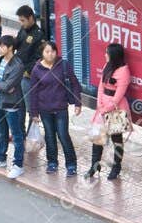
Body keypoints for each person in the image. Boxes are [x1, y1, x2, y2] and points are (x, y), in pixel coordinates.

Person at [27, 41, 81, 175]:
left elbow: (74, 83)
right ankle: (52, 163)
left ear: (57, 52)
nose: (50, 54)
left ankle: (71, 165)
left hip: (61, 108)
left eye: (52, 51)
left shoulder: (63, 65)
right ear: (42, 53)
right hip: (44, 109)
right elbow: (33, 93)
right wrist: (34, 113)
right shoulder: (37, 69)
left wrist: (78, 103)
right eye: (47, 52)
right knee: (50, 136)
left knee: (63, 135)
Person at [87, 42, 131, 181]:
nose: (105, 55)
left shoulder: (124, 71)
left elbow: (118, 95)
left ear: (114, 55)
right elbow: (101, 85)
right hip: (103, 105)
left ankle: (116, 166)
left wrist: (106, 108)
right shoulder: (107, 66)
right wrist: (99, 103)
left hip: (116, 108)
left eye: (107, 53)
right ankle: (95, 165)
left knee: (116, 139)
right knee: (97, 137)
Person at [0, 35, 27, 178]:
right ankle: (0, 158)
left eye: (2, 46)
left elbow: (8, 85)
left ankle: (18, 165)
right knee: (2, 132)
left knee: (16, 135)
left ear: (10, 48)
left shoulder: (18, 65)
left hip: (11, 104)